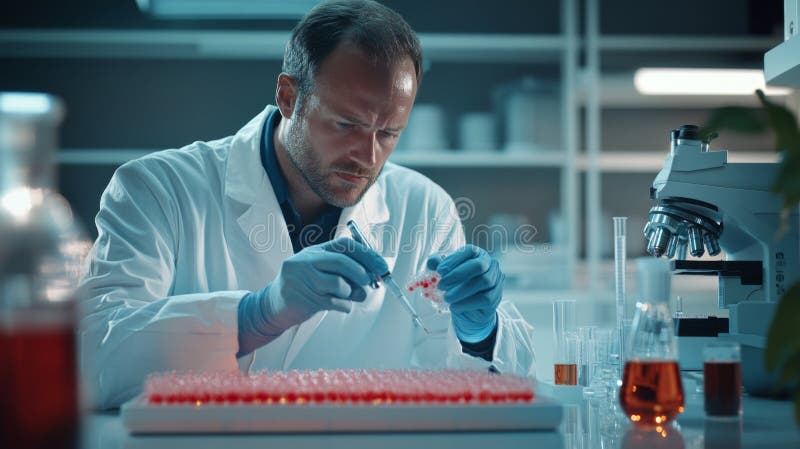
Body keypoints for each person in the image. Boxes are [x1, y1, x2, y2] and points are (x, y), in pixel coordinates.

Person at [79, 0, 535, 409]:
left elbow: (479, 391)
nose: (368, 156)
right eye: (346, 124)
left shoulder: (424, 207)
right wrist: (254, 315)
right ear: (288, 97)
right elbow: (92, 358)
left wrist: (479, 334)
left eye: (389, 133)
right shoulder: (159, 190)